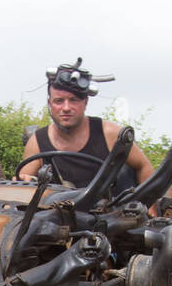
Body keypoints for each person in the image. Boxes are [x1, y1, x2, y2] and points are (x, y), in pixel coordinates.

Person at [18, 58, 153, 190]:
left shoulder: (109, 134)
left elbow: (143, 166)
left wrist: (151, 207)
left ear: (85, 102)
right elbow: (23, 183)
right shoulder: (37, 141)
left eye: (73, 100)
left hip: (110, 209)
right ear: (50, 104)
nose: (66, 108)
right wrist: (23, 182)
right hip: (57, 210)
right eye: (59, 101)